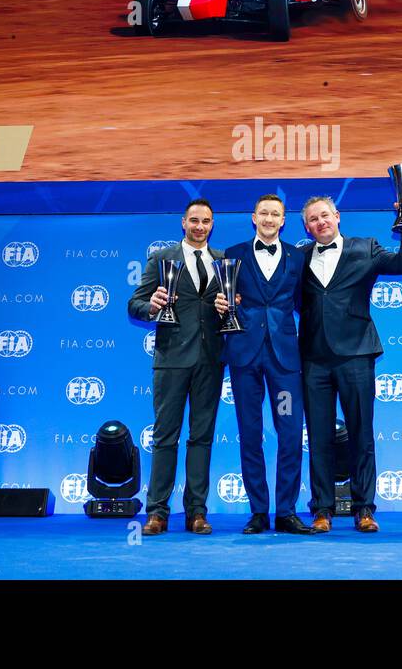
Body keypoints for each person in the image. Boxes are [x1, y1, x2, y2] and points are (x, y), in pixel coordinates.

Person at [299, 191, 402, 533]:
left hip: (356, 354)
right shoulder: (300, 257)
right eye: (313, 219)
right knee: (319, 438)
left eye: (325, 215)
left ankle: (364, 508)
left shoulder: (365, 247)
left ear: (337, 217)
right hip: (313, 359)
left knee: (361, 434)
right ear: (307, 228)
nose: (320, 222)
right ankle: (321, 510)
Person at [126, 199, 225, 535]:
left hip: (211, 360)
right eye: (194, 220)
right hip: (171, 360)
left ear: (213, 224)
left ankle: (197, 512)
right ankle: (157, 512)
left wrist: (231, 307)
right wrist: (150, 306)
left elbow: (230, 309)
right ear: (184, 222)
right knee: (166, 438)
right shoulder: (162, 258)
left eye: (206, 221)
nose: (200, 227)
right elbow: (135, 304)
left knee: (202, 438)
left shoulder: (223, 261)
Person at [221, 194, 312, 535]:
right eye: (264, 213)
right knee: (250, 434)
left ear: (284, 220)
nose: (270, 219)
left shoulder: (297, 257)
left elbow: (305, 304)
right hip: (245, 357)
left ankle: (286, 511)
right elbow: (223, 301)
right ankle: (258, 511)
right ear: (253, 217)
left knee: (289, 434)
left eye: (276, 214)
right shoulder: (233, 254)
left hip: (285, 361)